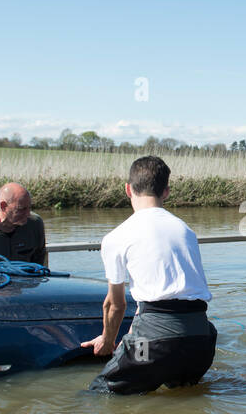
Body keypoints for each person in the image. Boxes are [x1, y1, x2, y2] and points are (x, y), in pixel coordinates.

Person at [82, 156, 216, 393]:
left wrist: (108, 341)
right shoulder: (186, 231)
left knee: (100, 394)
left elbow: (115, 305)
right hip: (201, 342)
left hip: (153, 344)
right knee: (184, 401)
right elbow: (167, 301)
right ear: (166, 192)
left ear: (127, 189)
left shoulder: (117, 237)